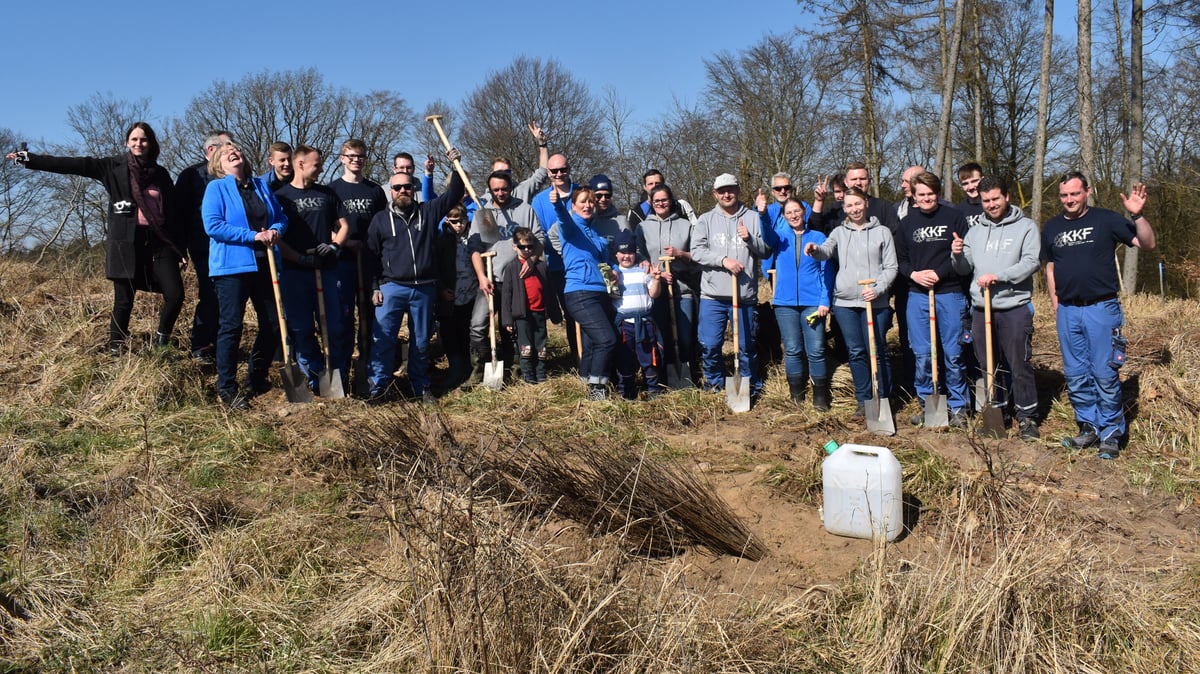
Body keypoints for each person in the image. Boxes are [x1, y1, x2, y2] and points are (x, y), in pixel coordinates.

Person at [8, 122, 186, 355]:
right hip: (126, 242)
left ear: (150, 143)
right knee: (124, 299)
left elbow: (172, 213)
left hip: (160, 243)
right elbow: (73, 164)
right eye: (134, 139)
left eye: (143, 140)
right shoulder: (113, 167)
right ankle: (116, 347)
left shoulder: (161, 174)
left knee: (175, 294)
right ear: (127, 142)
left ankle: (162, 341)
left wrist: (181, 249)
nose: (138, 143)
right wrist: (30, 159)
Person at [1042, 171, 1155, 459]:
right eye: (1065, 195)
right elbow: (1051, 266)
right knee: (1077, 374)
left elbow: (1147, 244)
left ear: (1087, 192)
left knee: (1104, 373)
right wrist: (1056, 302)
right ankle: (1088, 428)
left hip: (1101, 308)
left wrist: (1138, 217)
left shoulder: (1105, 220)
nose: (1069, 200)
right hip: (1068, 310)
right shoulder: (1052, 227)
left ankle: (1110, 433)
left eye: (1075, 194)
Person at [365, 148, 465, 404]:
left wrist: (454, 165)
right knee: (384, 340)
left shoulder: (428, 212)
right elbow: (370, 257)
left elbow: (454, 193)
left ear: (413, 188)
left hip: (424, 289)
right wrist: (374, 285)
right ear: (390, 190)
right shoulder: (380, 220)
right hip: (391, 287)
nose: (402, 191)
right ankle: (380, 388)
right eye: (397, 187)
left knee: (420, 342)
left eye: (407, 187)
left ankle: (420, 387)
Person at [951, 175, 1041, 440]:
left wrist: (999, 276)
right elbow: (964, 268)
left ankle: (1027, 417)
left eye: (995, 199)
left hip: (1013, 306)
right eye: (985, 200)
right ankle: (997, 415)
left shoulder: (1025, 227)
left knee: (1018, 363)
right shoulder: (975, 231)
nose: (990, 204)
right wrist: (956, 254)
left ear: (1007, 197)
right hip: (981, 309)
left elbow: (1031, 262)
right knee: (988, 365)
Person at [201, 142, 287, 409]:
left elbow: (281, 217)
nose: (232, 151)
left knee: (273, 323)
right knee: (231, 326)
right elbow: (213, 226)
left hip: (266, 264)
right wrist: (253, 236)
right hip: (232, 269)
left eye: (236, 148)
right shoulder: (216, 188)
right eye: (226, 151)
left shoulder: (260, 185)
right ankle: (226, 387)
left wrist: (274, 230)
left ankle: (257, 377)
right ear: (218, 163)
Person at [805, 186, 898, 417]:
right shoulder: (839, 232)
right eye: (849, 205)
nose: (854, 209)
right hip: (845, 303)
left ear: (865, 203)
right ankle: (864, 401)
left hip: (874, 303)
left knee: (877, 351)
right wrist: (814, 250)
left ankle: (883, 398)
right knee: (856, 352)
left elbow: (891, 267)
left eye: (857, 204)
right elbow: (825, 252)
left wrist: (878, 289)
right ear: (844, 208)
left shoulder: (882, 232)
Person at [691, 173, 776, 398]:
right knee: (710, 345)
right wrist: (723, 261)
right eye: (721, 191)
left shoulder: (752, 218)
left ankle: (750, 387)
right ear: (715, 194)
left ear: (738, 191)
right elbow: (697, 252)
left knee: (746, 346)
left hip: (744, 295)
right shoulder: (705, 220)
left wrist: (749, 238)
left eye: (731, 190)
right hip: (713, 296)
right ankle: (714, 385)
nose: (726, 194)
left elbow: (767, 250)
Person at [896, 171, 971, 427]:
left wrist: (939, 273)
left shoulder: (954, 218)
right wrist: (915, 274)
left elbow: (965, 257)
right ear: (914, 197)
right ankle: (928, 402)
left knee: (953, 353)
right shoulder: (906, 224)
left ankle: (959, 407)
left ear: (937, 194)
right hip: (917, 295)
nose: (927, 198)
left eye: (931, 193)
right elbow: (900, 261)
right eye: (922, 195)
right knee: (923, 354)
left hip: (949, 292)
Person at [275, 145, 350, 395]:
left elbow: (344, 225)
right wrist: (297, 257)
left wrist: (335, 246)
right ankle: (316, 377)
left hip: (325, 270)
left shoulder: (326, 194)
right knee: (301, 329)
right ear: (300, 164)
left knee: (334, 327)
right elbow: (276, 237)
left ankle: (337, 382)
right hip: (294, 273)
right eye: (316, 164)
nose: (321, 168)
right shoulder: (280, 196)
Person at [466, 170, 546, 385]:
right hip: (491, 279)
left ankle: (516, 366)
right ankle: (480, 367)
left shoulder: (523, 209)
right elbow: (475, 249)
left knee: (512, 325)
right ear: (490, 190)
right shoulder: (485, 213)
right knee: (478, 324)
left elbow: (539, 239)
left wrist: (531, 260)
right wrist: (482, 277)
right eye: (496, 189)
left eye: (504, 188)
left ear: (511, 187)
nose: (501, 193)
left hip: (518, 279)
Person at [329, 139, 388, 389]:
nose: (356, 160)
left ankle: (368, 375)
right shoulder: (331, 191)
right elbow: (325, 228)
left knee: (370, 319)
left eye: (360, 156)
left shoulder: (375, 191)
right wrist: (343, 243)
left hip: (369, 263)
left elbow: (385, 226)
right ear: (342, 158)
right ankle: (340, 376)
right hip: (342, 263)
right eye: (351, 156)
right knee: (342, 320)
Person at [549, 186, 618, 400]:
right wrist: (557, 204)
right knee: (607, 340)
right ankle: (597, 390)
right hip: (580, 293)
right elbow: (562, 218)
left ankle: (583, 383)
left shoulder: (595, 232)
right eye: (582, 202)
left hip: (601, 293)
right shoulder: (571, 228)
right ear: (574, 206)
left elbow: (603, 261)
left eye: (590, 202)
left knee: (591, 344)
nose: (587, 205)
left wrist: (612, 271)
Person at [766, 197, 835, 409]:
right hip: (784, 304)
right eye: (789, 213)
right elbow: (766, 237)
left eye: (797, 211)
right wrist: (761, 214)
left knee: (815, 349)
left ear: (804, 212)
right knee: (793, 349)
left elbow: (827, 271)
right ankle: (796, 395)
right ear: (784, 216)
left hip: (813, 303)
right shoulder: (779, 238)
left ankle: (820, 396)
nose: (794, 215)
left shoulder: (818, 237)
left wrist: (825, 300)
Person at [175, 130, 233, 363]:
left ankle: (223, 344)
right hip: (204, 246)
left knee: (228, 297)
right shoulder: (192, 176)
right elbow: (178, 213)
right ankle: (201, 345)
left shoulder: (233, 174)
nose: (233, 149)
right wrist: (179, 248)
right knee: (210, 295)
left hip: (232, 246)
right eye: (228, 145)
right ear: (212, 150)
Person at [636, 184, 699, 381]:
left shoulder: (685, 225)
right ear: (651, 203)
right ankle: (667, 375)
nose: (661, 204)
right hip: (657, 288)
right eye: (657, 201)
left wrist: (681, 254)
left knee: (686, 336)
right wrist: (658, 274)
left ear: (671, 201)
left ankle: (689, 374)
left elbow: (698, 255)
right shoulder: (642, 227)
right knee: (663, 334)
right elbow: (639, 256)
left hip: (682, 287)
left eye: (664, 200)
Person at [532, 153, 582, 361]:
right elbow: (540, 233)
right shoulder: (540, 200)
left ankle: (587, 354)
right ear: (549, 174)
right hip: (557, 267)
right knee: (570, 312)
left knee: (584, 311)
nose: (559, 174)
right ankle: (575, 354)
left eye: (563, 169)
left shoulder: (581, 192)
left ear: (569, 169)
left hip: (581, 263)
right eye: (554, 171)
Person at [500, 227, 561, 384]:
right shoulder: (512, 268)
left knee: (541, 344)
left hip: (539, 311)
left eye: (530, 247)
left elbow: (550, 291)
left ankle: (541, 371)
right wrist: (507, 320)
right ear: (515, 247)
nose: (526, 250)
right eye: (522, 247)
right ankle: (528, 373)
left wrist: (555, 314)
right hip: (522, 314)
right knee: (525, 345)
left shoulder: (541, 266)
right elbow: (506, 296)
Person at [611, 230, 664, 399]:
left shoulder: (643, 271)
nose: (626, 257)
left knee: (649, 357)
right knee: (625, 358)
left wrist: (656, 279)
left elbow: (654, 294)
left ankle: (653, 391)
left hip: (645, 322)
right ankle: (627, 392)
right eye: (622, 253)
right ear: (616, 254)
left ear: (635, 253)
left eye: (630, 253)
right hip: (625, 324)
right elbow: (610, 296)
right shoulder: (613, 274)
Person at [436, 205, 477, 389]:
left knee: (468, 332)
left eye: (462, 221)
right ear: (447, 221)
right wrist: (442, 288)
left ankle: (470, 369)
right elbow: (433, 267)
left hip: (471, 293)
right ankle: (455, 369)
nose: (459, 225)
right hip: (450, 295)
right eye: (454, 221)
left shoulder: (474, 239)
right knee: (450, 333)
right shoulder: (442, 240)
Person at [481, 122, 549, 205]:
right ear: (491, 174)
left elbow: (543, 172)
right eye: (499, 172)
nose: (503, 175)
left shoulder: (523, 190)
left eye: (507, 172)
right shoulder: (484, 201)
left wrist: (542, 144)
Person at [627, 169, 699, 228]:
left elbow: (695, 230)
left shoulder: (681, 206)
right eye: (650, 184)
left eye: (657, 183)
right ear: (644, 187)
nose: (654, 186)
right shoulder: (635, 213)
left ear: (663, 184)